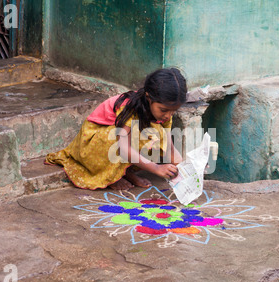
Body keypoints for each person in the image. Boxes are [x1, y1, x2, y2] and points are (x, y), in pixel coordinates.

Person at [45, 68, 187, 191]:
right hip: (95, 143)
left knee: (156, 135)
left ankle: (125, 172)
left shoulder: (165, 114)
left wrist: (186, 170)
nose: (168, 115)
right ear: (149, 97)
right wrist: (156, 168)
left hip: (123, 143)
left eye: (173, 112)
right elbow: (124, 149)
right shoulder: (130, 107)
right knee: (122, 137)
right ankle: (110, 176)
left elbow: (170, 147)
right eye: (164, 110)